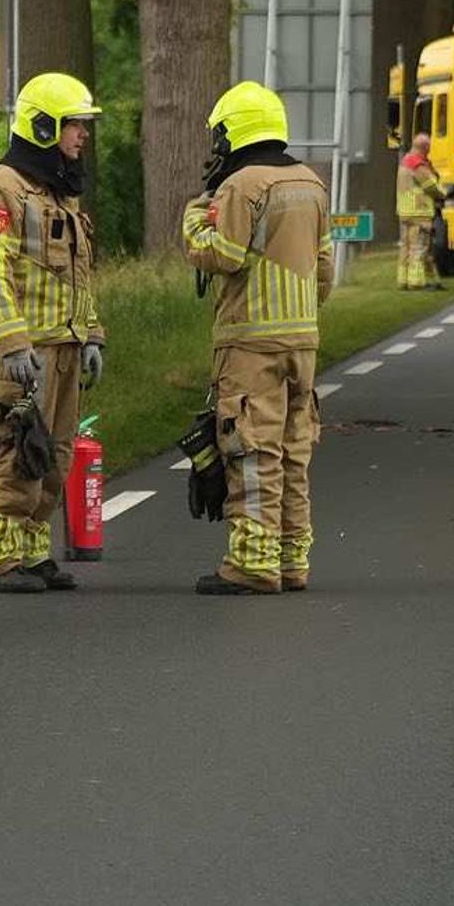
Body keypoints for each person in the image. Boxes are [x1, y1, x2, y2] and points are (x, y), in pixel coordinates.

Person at [183, 81, 333, 596]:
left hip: (250, 342)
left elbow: (222, 254)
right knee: (294, 453)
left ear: (233, 132)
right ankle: (291, 560)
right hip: (302, 341)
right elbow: (325, 267)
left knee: (251, 451)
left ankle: (251, 563)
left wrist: (193, 222)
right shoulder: (311, 183)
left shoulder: (241, 185)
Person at [0, 72, 105, 593]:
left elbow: (78, 274)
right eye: (74, 124)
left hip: (63, 344)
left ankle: (30, 552)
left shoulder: (59, 191)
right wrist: (12, 342)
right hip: (24, 352)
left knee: (55, 455)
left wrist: (92, 334)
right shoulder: (1, 188)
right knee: (17, 450)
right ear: (43, 127)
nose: (83, 134)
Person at [396, 132, 445, 290]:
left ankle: (403, 280)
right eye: (429, 147)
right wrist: (444, 194)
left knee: (406, 248)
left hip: (405, 211)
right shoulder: (418, 164)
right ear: (425, 147)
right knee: (419, 248)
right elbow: (431, 186)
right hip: (419, 212)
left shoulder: (405, 161)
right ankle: (416, 282)